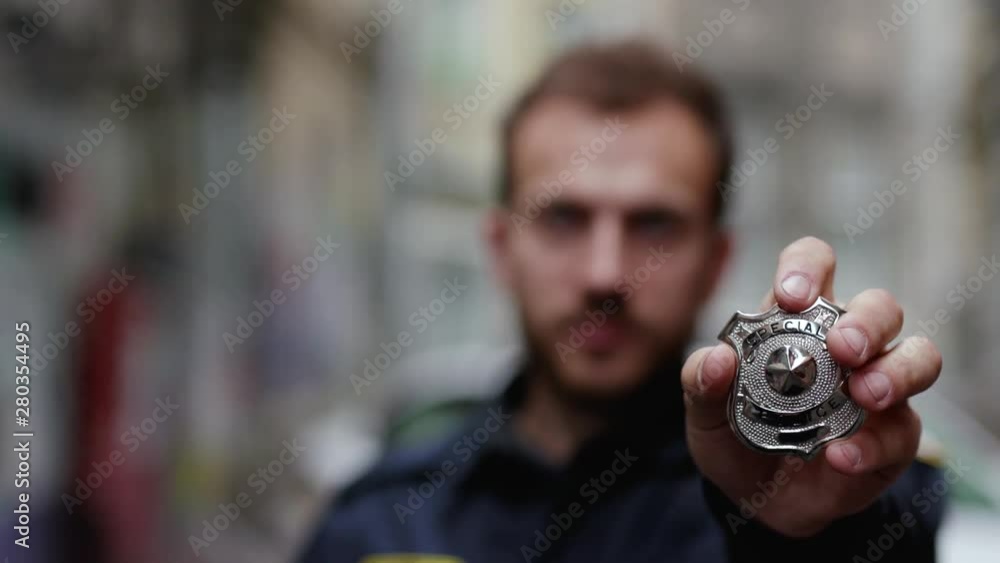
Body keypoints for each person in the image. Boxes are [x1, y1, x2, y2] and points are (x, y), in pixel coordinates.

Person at [297, 41, 945, 563]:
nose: (606, 273)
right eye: (563, 218)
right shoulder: (380, 519)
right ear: (500, 248)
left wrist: (803, 536)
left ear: (715, 260)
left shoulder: (836, 495)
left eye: (654, 224)